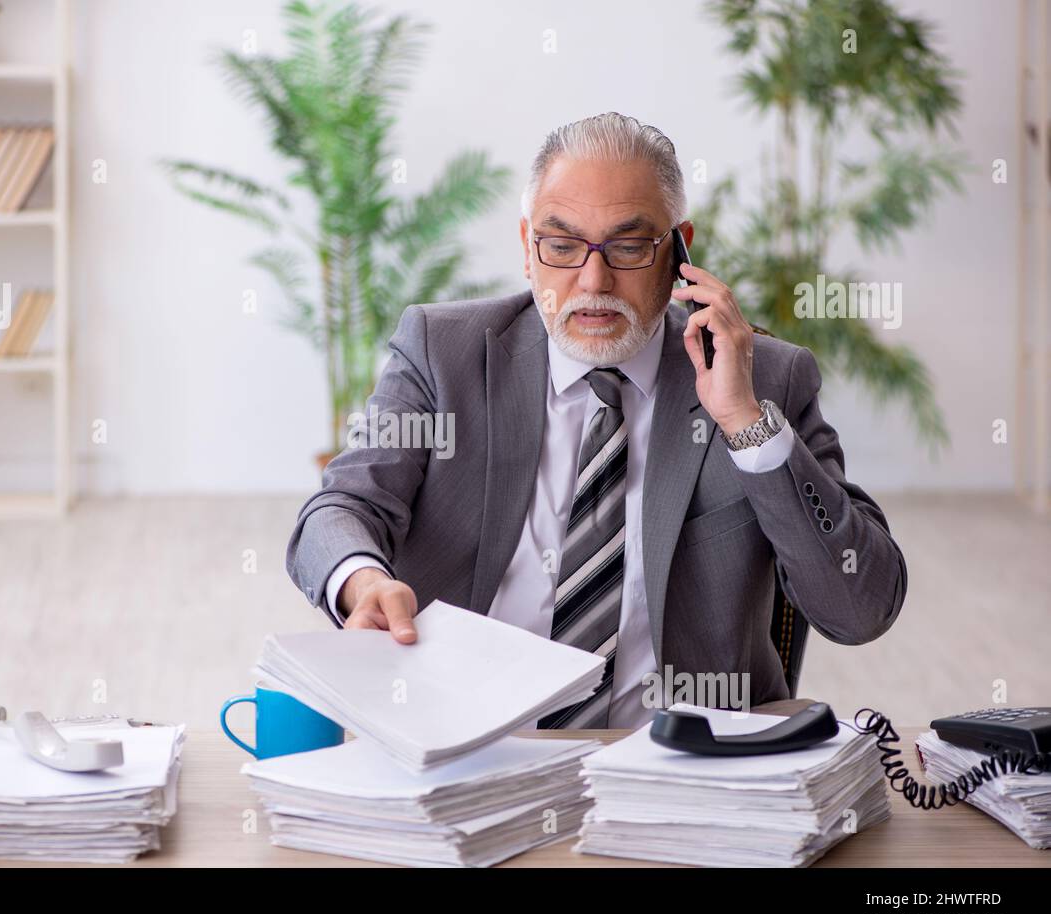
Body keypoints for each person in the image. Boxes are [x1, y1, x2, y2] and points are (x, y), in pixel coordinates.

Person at [286, 112, 907, 728]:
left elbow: (860, 609)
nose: (593, 280)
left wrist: (746, 423)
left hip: (682, 776)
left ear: (679, 249)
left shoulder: (763, 380)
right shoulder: (441, 353)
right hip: (464, 750)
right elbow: (339, 510)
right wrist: (362, 581)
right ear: (527, 248)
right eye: (561, 246)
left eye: (630, 247)